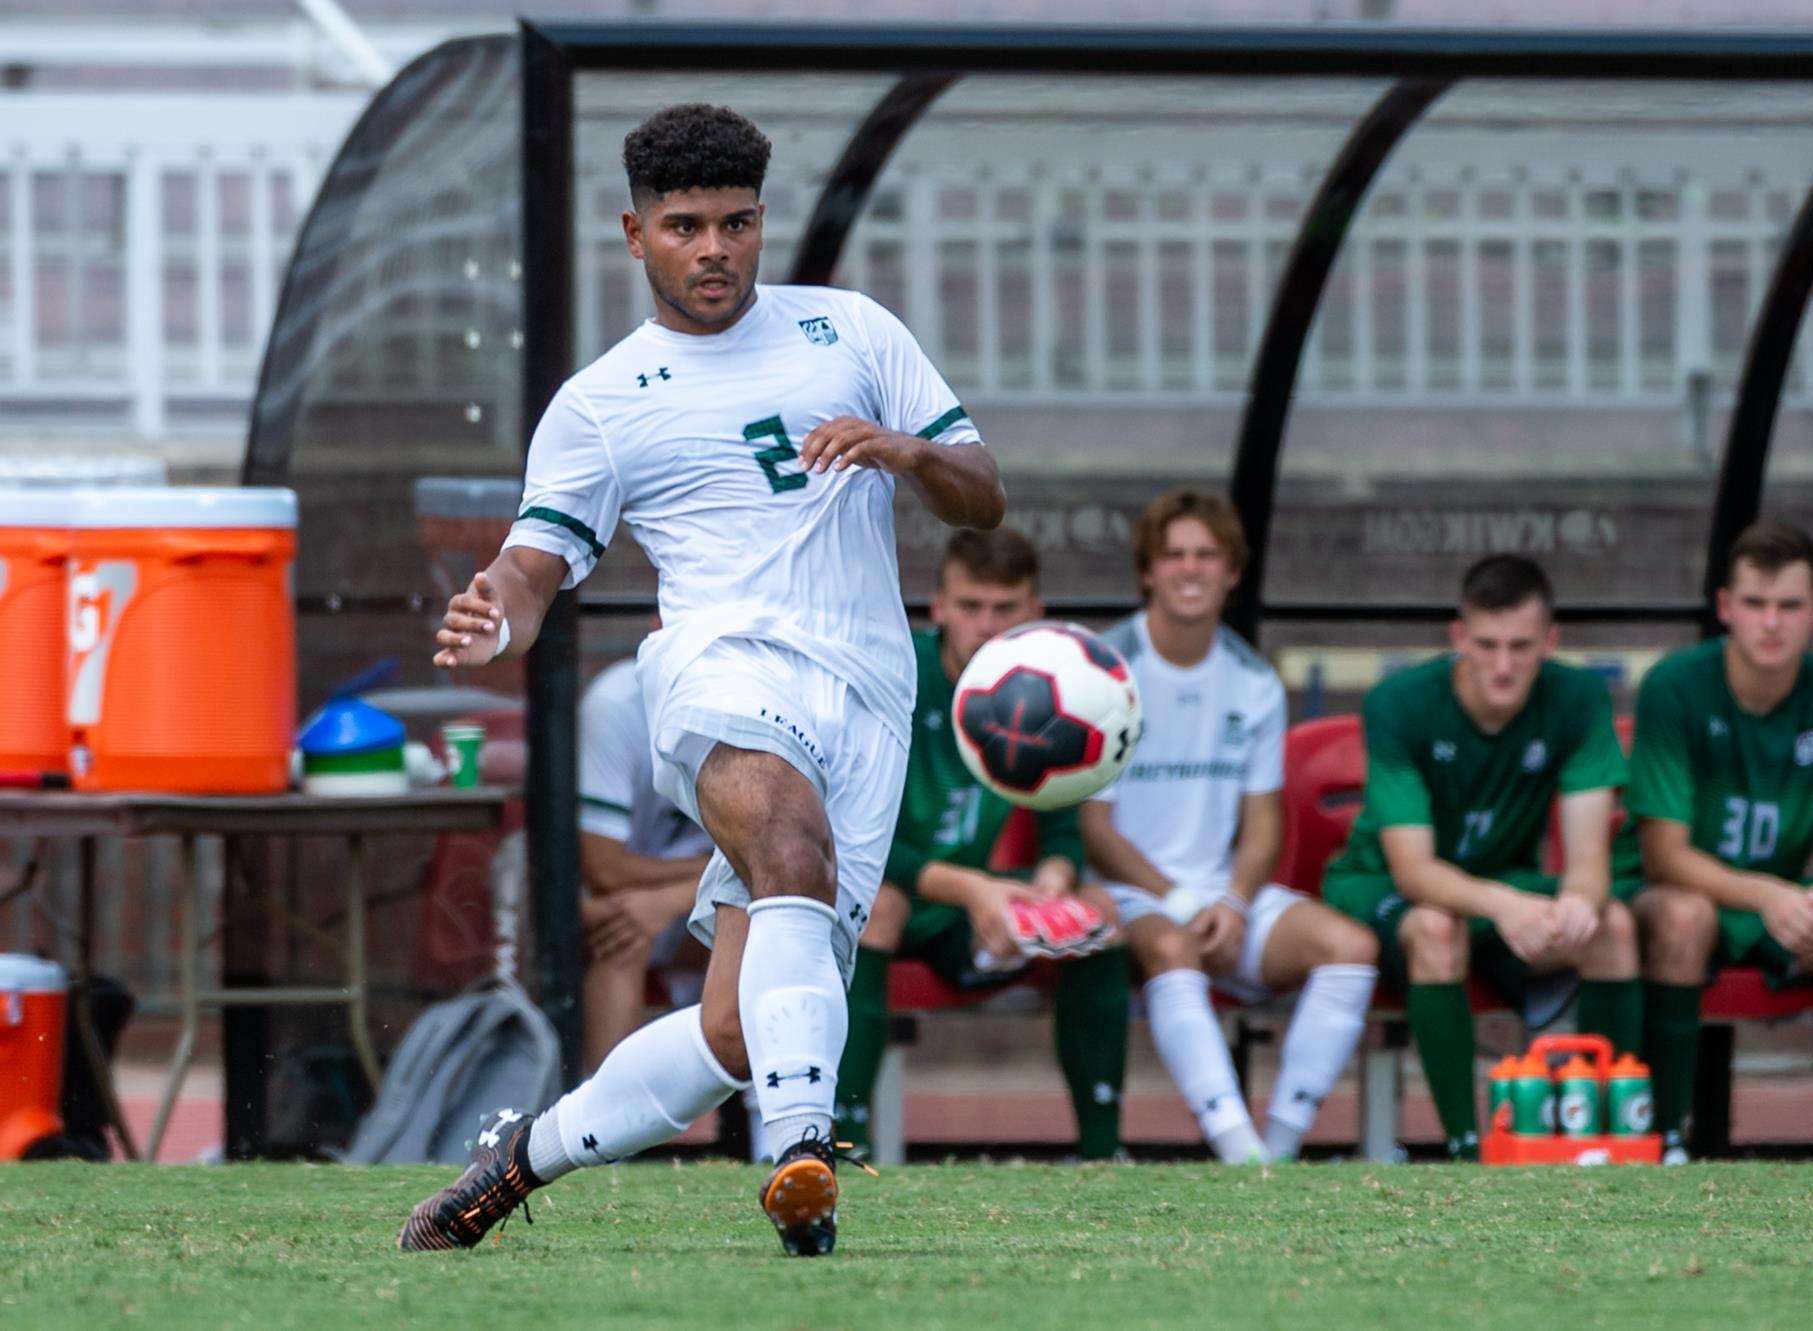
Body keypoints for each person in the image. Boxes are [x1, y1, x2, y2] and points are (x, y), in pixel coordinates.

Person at [398, 102, 1004, 1257]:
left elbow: (983, 490)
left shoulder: (854, 333)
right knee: (786, 845)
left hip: (869, 696)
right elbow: (534, 562)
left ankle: (517, 1161)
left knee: (734, 1030)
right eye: (685, 227)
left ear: (761, 221)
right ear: (635, 235)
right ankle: (801, 1156)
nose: (713, 248)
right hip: (717, 667)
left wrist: (908, 451)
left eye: (734, 223)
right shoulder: (601, 402)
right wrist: (495, 613)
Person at [1081, 488, 1379, 1164]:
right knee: (1171, 948)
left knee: (1351, 945)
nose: (1191, 569)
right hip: (1130, 899)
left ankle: (1278, 1148)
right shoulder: (1106, 668)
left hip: (1223, 900)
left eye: (1207, 556)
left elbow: (1262, 820)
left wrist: (1234, 901)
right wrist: (1183, 903)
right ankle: (1240, 1153)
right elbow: (1097, 828)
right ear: (1147, 571)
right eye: (1175, 554)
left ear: (1232, 572)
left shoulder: (1253, 679)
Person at [1620, 520, 1813, 1165]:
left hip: (1784, 910)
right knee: (1684, 915)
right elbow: (1664, 856)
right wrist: (1769, 895)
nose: (1771, 623)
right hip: (1675, 897)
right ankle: (1665, 1139)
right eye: (1756, 604)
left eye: (1789, 605)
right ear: (1725, 607)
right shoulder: (1674, 687)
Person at [1323, 554, 1638, 1162]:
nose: (1502, 665)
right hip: (1379, 881)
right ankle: (1470, 1152)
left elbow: (1589, 856)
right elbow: (1414, 871)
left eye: (1520, 646)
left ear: (1551, 640)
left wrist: (1578, 901)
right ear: (1458, 637)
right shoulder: (1398, 702)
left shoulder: (1577, 698)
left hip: (1504, 882)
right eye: (1487, 644)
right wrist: (1510, 905)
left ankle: (1605, 1141)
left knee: (1613, 927)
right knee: (1437, 928)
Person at [834, 527, 1130, 1161]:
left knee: (1099, 915)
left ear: (1035, 613)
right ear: (939, 606)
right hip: (869, 897)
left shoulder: (1056, 685)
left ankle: (1104, 1153)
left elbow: (1061, 830)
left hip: (964, 913)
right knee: (881, 906)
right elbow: (856, 840)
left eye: (1005, 609)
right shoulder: (894, 672)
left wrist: (1049, 888)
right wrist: (977, 890)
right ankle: (841, 1144)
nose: (985, 625)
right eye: (971, 607)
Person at [576, 654, 712, 1074]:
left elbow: (779, 872)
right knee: (620, 932)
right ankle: (603, 1130)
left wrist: (669, 900)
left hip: (713, 904)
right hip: (614, 901)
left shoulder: (764, 699)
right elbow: (604, 868)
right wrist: (713, 876)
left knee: (758, 924)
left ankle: (772, 1132)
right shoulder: (616, 704)